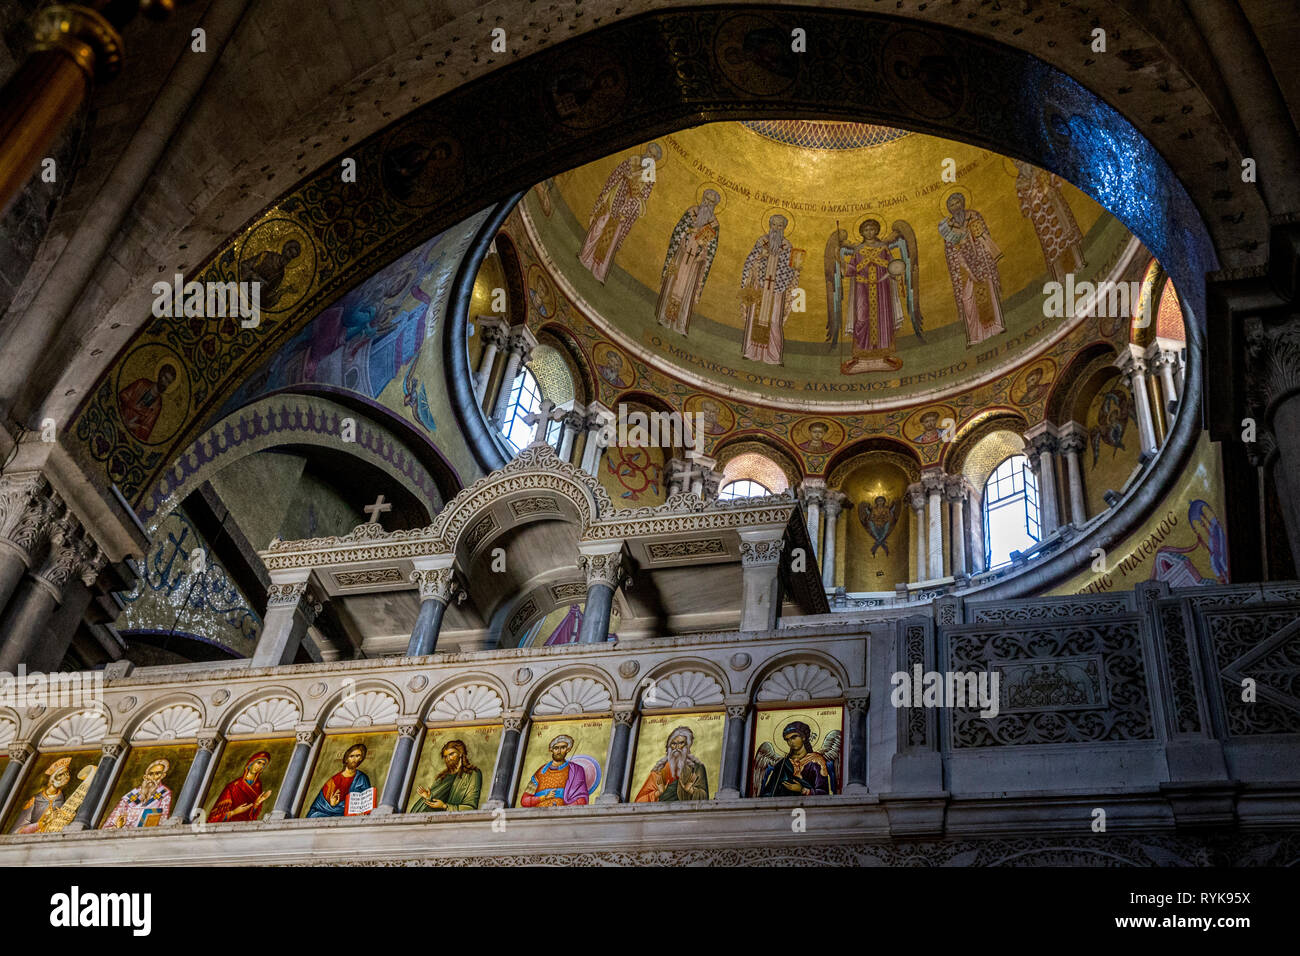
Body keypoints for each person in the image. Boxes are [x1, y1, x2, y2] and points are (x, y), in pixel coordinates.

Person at [939, 191, 1006, 346]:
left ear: (962, 203)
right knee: (968, 299)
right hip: (963, 268)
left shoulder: (973, 216)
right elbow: (950, 250)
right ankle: (975, 336)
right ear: (949, 209)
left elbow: (983, 236)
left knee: (989, 290)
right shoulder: (948, 227)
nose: (955, 207)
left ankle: (996, 326)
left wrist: (982, 257)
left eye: (957, 203)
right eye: (951, 205)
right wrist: (961, 263)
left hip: (981, 261)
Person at [657, 190, 721, 335]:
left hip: (694, 263)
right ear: (702, 198)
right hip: (681, 255)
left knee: (686, 291)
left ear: (715, 205)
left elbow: (712, 249)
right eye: (706, 199)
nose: (707, 204)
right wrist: (687, 233)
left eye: (711, 202)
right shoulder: (692, 212)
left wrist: (703, 253)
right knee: (673, 282)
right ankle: (663, 317)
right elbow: (678, 230)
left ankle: (680, 323)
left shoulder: (714, 224)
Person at [740, 215, 801, 365]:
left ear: (784, 228)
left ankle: (773, 356)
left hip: (777, 290)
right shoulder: (762, 242)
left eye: (780, 226)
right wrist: (761, 256)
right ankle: (750, 352)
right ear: (769, 225)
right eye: (774, 225)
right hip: (759, 287)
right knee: (753, 318)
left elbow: (790, 269)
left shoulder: (787, 246)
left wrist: (790, 272)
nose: (776, 228)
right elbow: (750, 261)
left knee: (774, 321)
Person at [753, 721, 838, 797]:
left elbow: (824, 793)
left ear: (803, 737)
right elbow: (769, 792)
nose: (791, 742)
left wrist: (802, 790)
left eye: (794, 737)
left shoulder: (816, 761)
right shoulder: (782, 764)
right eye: (787, 739)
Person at [634, 727, 709, 802]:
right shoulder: (659, 770)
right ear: (669, 747)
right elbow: (639, 801)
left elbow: (705, 798)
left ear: (687, 746)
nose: (677, 747)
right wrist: (658, 793)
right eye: (673, 744)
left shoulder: (696, 768)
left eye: (681, 743)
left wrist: (691, 790)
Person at [410, 740, 482, 812]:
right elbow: (437, 803)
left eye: (451, 754)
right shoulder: (442, 777)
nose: (448, 759)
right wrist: (428, 797)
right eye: (445, 756)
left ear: (460, 753)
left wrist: (445, 806)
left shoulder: (472, 774)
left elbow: (471, 807)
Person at [519, 734, 589, 807]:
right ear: (551, 750)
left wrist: (563, 810)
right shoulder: (541, 771)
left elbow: (582, 800)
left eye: (563, 748)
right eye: (556, 748)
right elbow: (524, 800)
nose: (558, 751)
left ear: (568, 749)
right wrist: (544, 797)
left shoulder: (576, 770)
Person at [306, 743, 373, 817]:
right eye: (351, 756)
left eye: (357, 756)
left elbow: (366, 803)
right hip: (328, 813)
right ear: (346, 759)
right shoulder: (334, 780)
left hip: (352, 815)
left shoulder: (362, 778)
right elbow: (318, 806)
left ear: (361, 758)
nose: (354, 759)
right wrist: (332, 804)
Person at [103, 758, 172, 828]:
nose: (153, 777)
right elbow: (111, 821)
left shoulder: (164, 793)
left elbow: (163, 820)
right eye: (150, 774)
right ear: (145, 776)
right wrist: (117, 826)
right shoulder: (133, 794)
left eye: (157, 773)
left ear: (163, 775)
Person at [8, 758, 71, 834]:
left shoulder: (61, 799)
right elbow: (18, 829)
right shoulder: (35, 800)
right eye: (60, 775)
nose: (64, 778)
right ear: (52, 779)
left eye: (67, 774)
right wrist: (40, 824)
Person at [117, 363, 177, 443]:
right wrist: (134, 406)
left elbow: (147, 429)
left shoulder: (158, 404)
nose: (165, 383)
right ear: (160, 375)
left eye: (168, 382)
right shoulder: (142, 383)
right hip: (119, 417)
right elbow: (123, 395)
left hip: (129, 433)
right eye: (165, 378)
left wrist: (133, 426)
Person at [208, 752, 273, 823]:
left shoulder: (258, 786)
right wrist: (234, 812)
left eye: (263, 765)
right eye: (258, 762)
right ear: (251, 763)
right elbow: (214, 818)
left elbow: (253, 816)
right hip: (230, 824)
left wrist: (257, 804)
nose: (259, 766)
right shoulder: (233, 786)